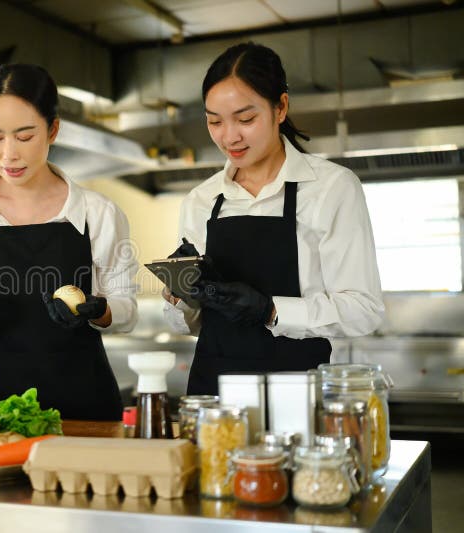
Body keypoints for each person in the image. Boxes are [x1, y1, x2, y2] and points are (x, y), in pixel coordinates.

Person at [163, 42, 384, 395]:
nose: (229, 136)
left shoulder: (331, 188)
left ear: (280, 107)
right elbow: (190, 325)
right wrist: (179, 293)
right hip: (215, 394)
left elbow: (364, 310)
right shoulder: (201, 200)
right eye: (214, 121)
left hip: (298, 392)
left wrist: (270, 310)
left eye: (246, 119)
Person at [0, 64, 138, 420]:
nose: (8, 154)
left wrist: (98, 308)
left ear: (53, 129)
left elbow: (127, 311)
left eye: (24, 136)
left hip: (85, 408)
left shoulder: (98, 213)